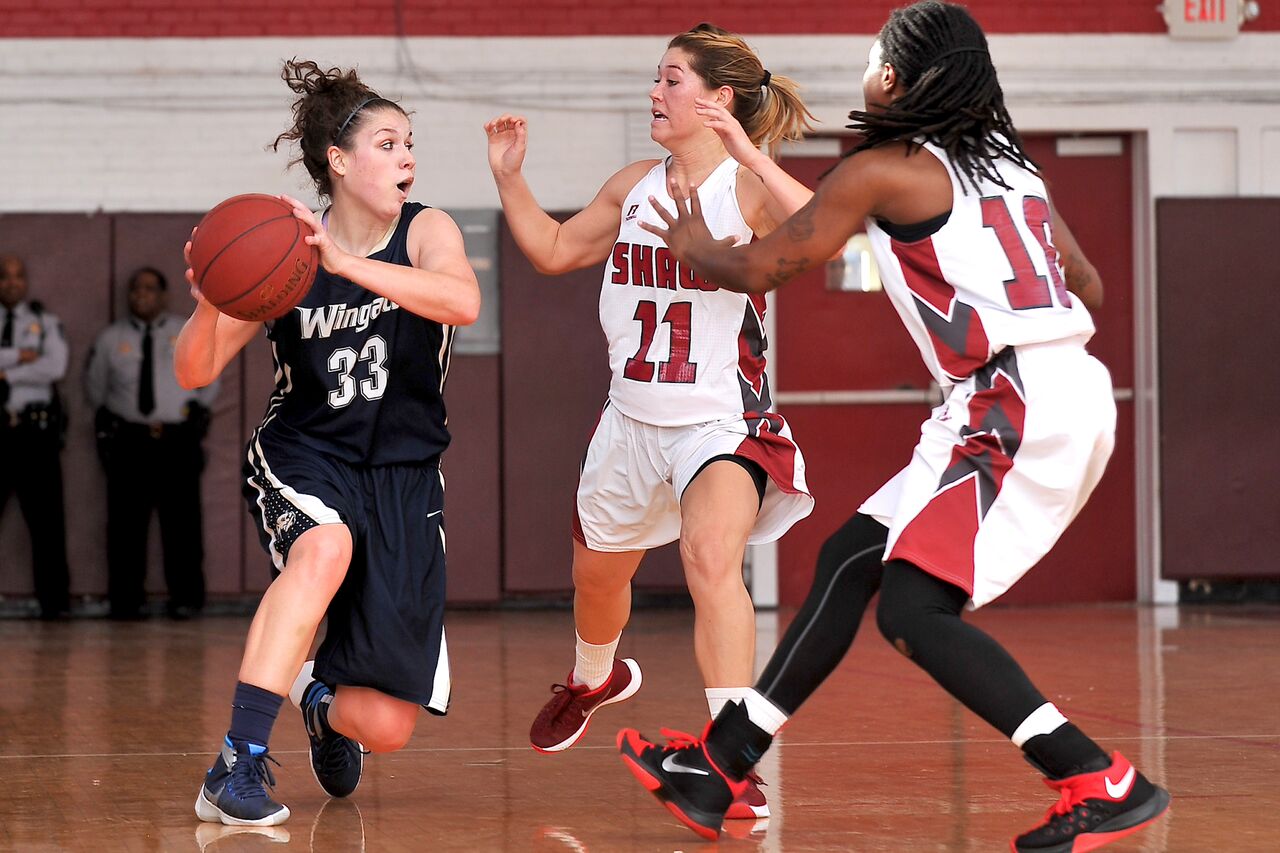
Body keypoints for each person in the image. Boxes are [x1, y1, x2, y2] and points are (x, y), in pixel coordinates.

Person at [614, 4, 1170, 851]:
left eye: (878, 58)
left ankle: (1096, 775)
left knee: (914, 611)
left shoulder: (882, 167)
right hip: (1041, 389)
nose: (867, 69)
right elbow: (1086, 283)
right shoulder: (1013, 169)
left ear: (900, 78)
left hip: (1010, 401)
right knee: (851, 555)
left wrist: (695, 246)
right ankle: (721, 763)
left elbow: (768, 265)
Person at [484, 23, 817, 819]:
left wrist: (750, 152)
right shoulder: (635, 183)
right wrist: (509, 180)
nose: (654, 93)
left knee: (711, 558)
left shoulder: (749, 189)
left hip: (721, 422)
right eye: (656, 79)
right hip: (630, 422)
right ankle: (594, 675)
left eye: (671, 80)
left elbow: (821, 235)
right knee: (597, 581)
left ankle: (730, 758)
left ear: (718, 99)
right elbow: (557, 250)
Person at [177, 59, 480, 826]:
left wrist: (352, 266)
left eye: (409, 142)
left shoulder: (425, 229)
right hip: (305, 452)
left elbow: (462, 300)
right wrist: (214, 300)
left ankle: (315, 700)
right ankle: (236, 763)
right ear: (339, 162)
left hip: (406, 477)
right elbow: (193, 368)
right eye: (387, 142)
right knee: (325, 548)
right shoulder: (288, 249)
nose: (407, 156)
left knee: (386, 726)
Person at [86, 266, 219, 620]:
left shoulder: (183, 330)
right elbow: (97, 390)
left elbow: (209, 377)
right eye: (135, 289)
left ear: (163, 294)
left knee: (182, 524)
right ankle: (127, 601)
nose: (141, 295)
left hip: (176, 438)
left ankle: (186, 598)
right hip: (131, 440)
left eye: (149, 288)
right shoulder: (111, 339)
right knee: (126, 525)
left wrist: (195, 413)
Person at [0, 253, 72, 621]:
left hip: (34, 432)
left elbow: (54, 367)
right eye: (3, 277)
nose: (11, 283)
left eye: (17, 276)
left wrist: (7, 374)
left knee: (46, 520)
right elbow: (37, 364)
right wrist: (21, 355)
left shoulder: (44, 322)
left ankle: (54, 603)